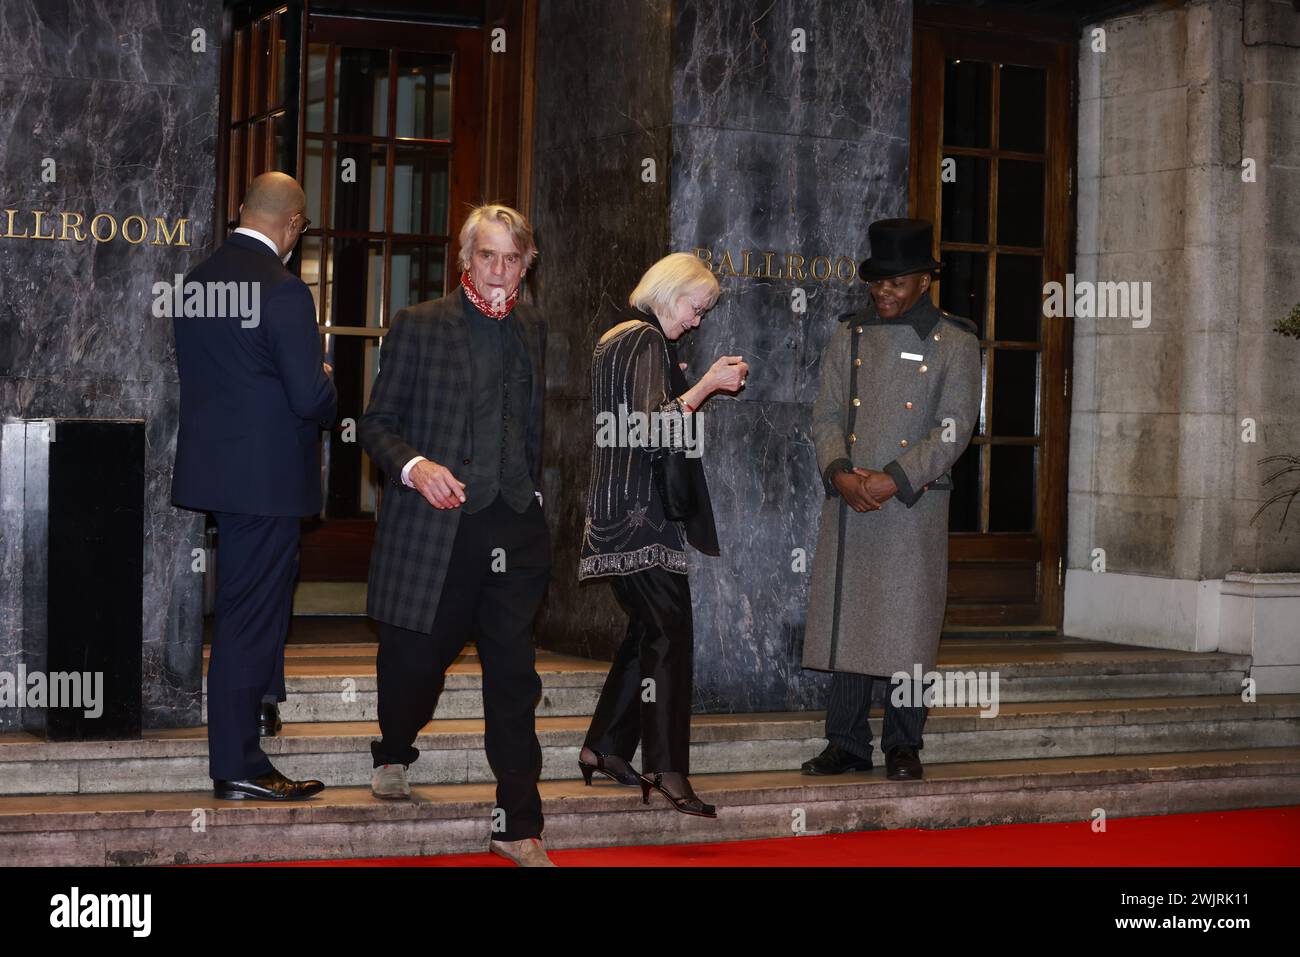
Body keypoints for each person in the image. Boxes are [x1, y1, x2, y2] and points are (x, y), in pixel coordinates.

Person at [359, 204, 553, 866]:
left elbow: (528, 421)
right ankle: (394, 746)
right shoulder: (418, 325)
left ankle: (517, 823)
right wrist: (416, 467)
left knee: (513, 675)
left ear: (527, 264)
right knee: (417, 661)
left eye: (513, 259)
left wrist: (533, 491)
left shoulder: (532, 324)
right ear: (464, 259)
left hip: (515, 524)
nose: (500, 270)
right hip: (441, 525)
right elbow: (376, 423)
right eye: (488, 255)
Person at [172, 171, 336, 800]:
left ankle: (263, 704)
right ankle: (238, 763)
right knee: (248, 619)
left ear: (242, 210)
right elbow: (308, 397)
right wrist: (327, 376)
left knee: (247, 610)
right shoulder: (285, 291)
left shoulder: (196, 282)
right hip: (268, 483)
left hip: (219, 477)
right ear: (294, 226)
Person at [801, 218, 980, 781]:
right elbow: (825, 414)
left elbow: (955, 427)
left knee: (906, 624)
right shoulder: (847, 335)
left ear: (924, 280)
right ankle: (847, 742)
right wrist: (839, 473)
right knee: (851, 620)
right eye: (877, 282)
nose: (883, 292)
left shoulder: (956, 340)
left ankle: (905, 744)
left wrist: (895, 478)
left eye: (897, 282)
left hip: (911, 506)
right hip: (851, 500)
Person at [577, 252, 747, 818]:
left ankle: (603, 747)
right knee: (672, 638)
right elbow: (654, 430)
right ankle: (667, 769)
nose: (696, 321)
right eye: (695, 308)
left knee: (646, 634)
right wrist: (709, 385)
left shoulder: (612, 337)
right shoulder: (646, 339)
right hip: (640, 519)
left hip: (612, 514)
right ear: (670, 291)